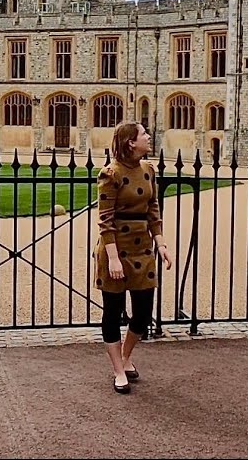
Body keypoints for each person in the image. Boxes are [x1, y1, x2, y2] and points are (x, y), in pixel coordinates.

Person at [94, 121, 174, 394]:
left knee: (142, 313)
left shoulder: (149, 170)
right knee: (113, 312)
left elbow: (154, 211)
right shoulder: (110, 174)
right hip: (115, 247)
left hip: (142, 247)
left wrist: (161, 245)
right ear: (131, 142)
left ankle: (126, 357)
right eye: (143, 134)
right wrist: (114, 259)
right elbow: (105, 221)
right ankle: (118, 370)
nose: (148, 137)